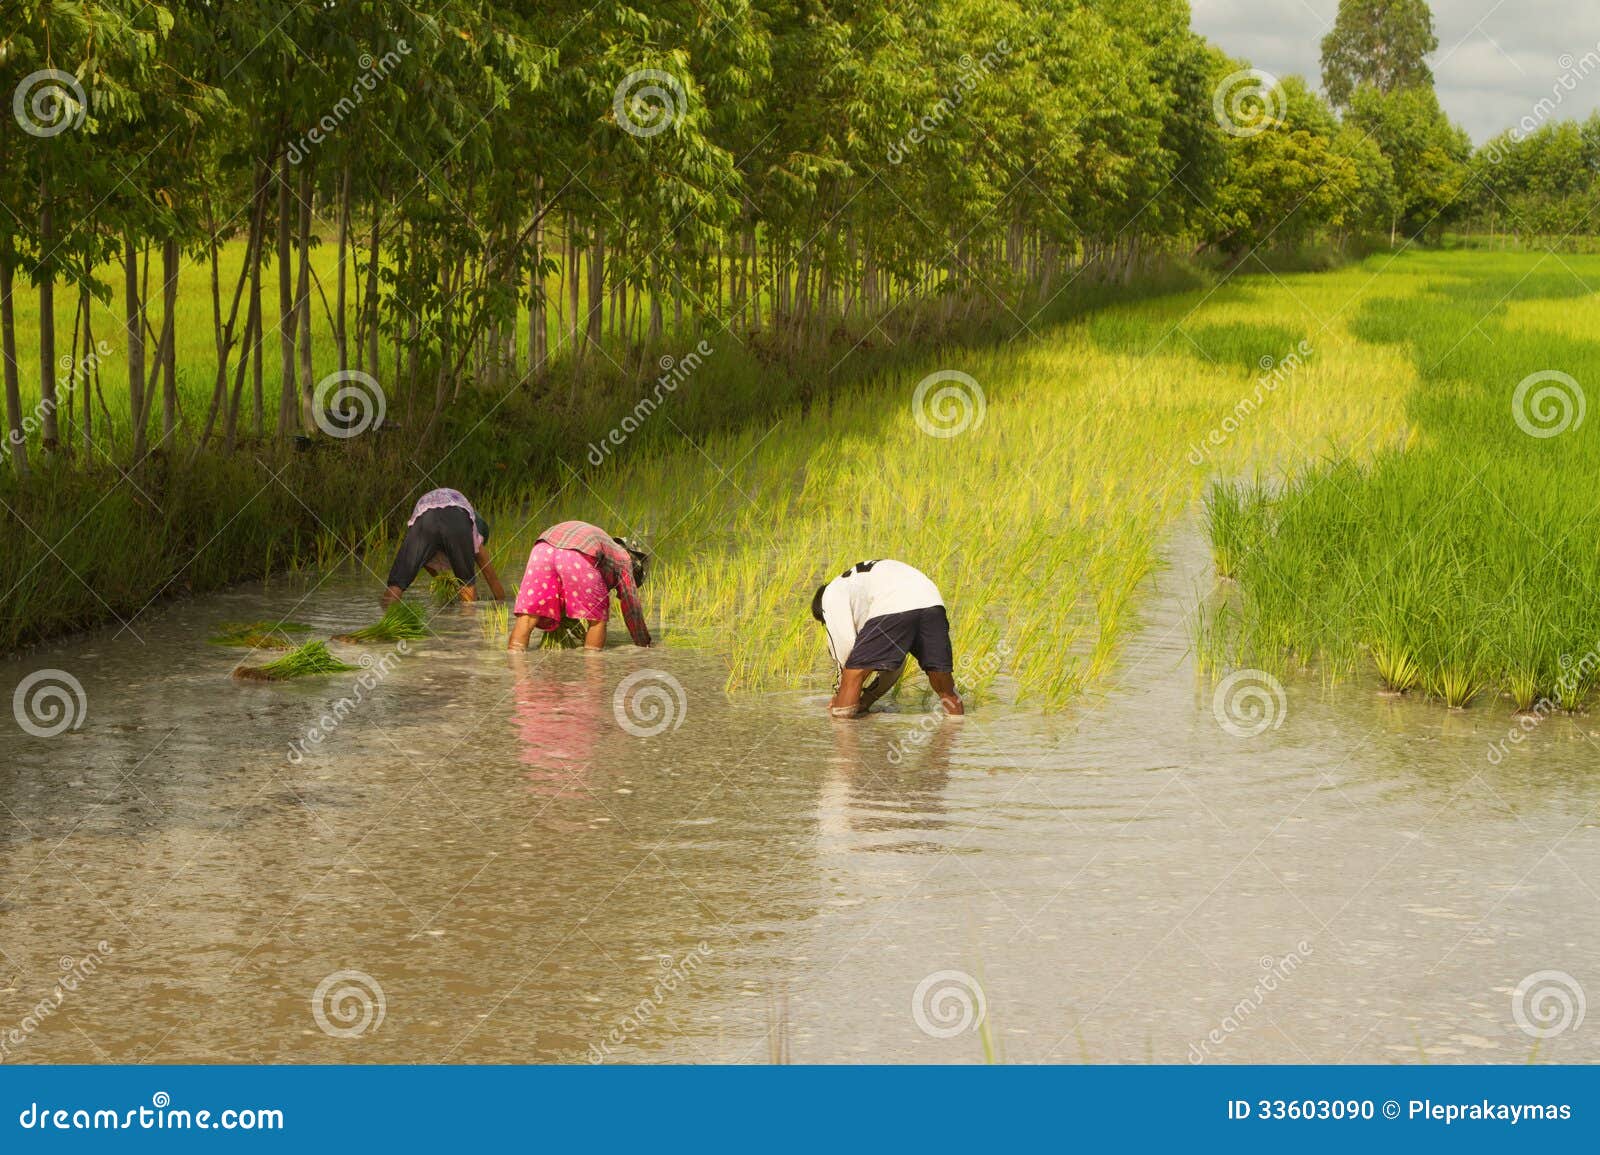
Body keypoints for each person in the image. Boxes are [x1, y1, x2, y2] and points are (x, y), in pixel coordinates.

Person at [812, 558, 963, 718]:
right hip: (932, 601)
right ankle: (955, 728)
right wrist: (866, 701)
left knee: (852, 674)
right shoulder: (859, 591)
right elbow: (894, 665)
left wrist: (839, 696)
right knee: (941, 678)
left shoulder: (830, 594)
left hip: (895, 602)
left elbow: (845, 650)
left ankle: (843, 735)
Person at [508, 520, 652, 651]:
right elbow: (632, 609)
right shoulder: (625, 559)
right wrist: (644, 645)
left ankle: (515, 662)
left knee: (527, 618)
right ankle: (593, 669)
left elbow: (565, 587)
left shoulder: (605, 542)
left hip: (542, 549)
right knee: (597, 620)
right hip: (579, 554)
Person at [383, 488, 506, 606]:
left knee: (396, 584)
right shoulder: (473, 533)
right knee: (466, 584)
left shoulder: (464, 517)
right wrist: (503, 601)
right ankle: (467, 625)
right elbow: (492, 578)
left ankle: (386, 622)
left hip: (424, 519)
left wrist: (445, 584)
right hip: (455, 519)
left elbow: (424, 561)